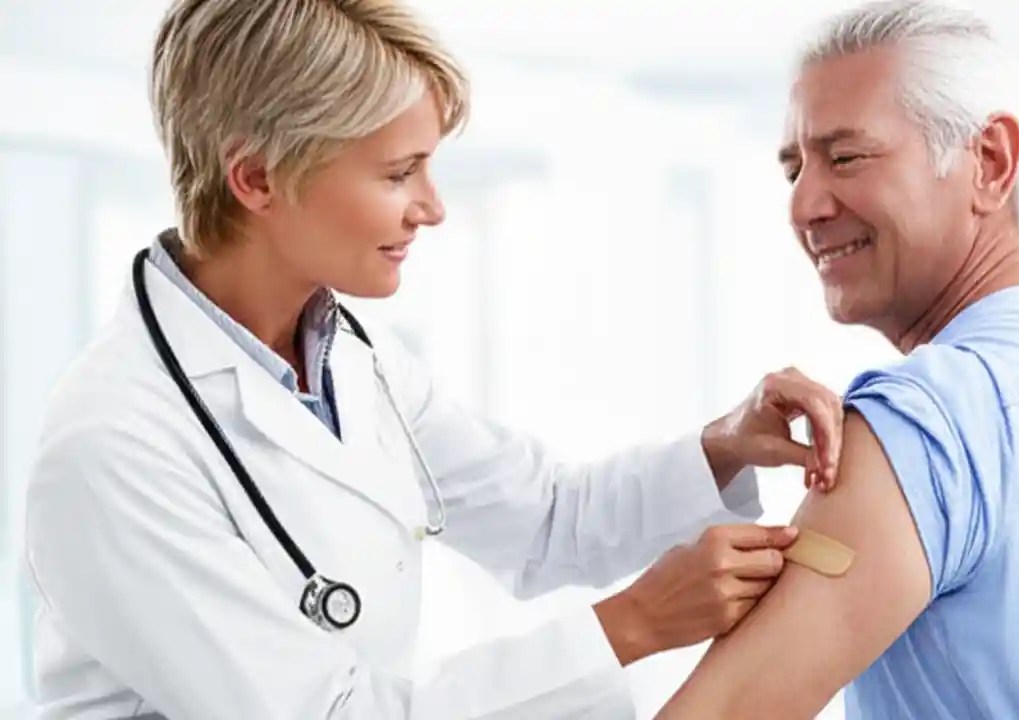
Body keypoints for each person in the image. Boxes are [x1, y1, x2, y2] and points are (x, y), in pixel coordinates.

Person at [21, 1, 846, 718]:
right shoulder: (114, 445)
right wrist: (631, 624)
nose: (433, 207)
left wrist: (724, 444)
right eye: (398, 172)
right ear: (257, 178)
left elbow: (548, 517)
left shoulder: (346, 356)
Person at [657, 1, 1019, 718]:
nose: (804, 205)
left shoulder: (919, 422)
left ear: (990, 162)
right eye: (793, 171)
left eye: (845, 157)